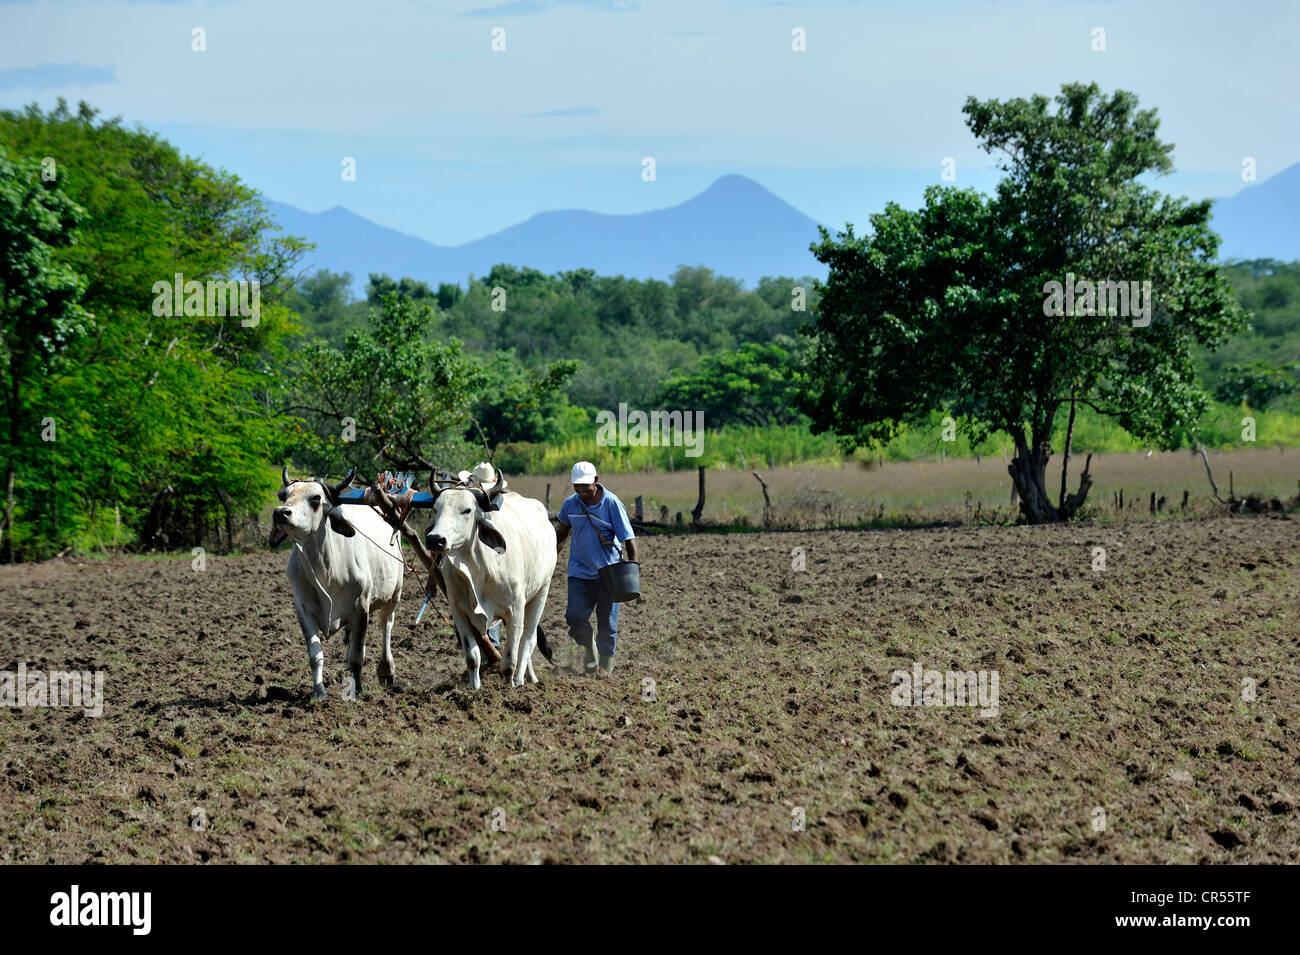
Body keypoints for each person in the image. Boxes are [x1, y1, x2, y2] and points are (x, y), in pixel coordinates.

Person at [555, 461, 639, 673]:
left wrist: (633, 568)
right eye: (577, 485)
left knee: (608, 625)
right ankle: (589, 647)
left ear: (596, 480)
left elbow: (628, 538)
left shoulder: (611, 503)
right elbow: (561, 535)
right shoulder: (570, 505)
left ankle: (605, 669)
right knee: (574, 617)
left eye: (585, 484)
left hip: (608, 573)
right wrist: (549, 558)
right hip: (579, 572)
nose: (581, 489)